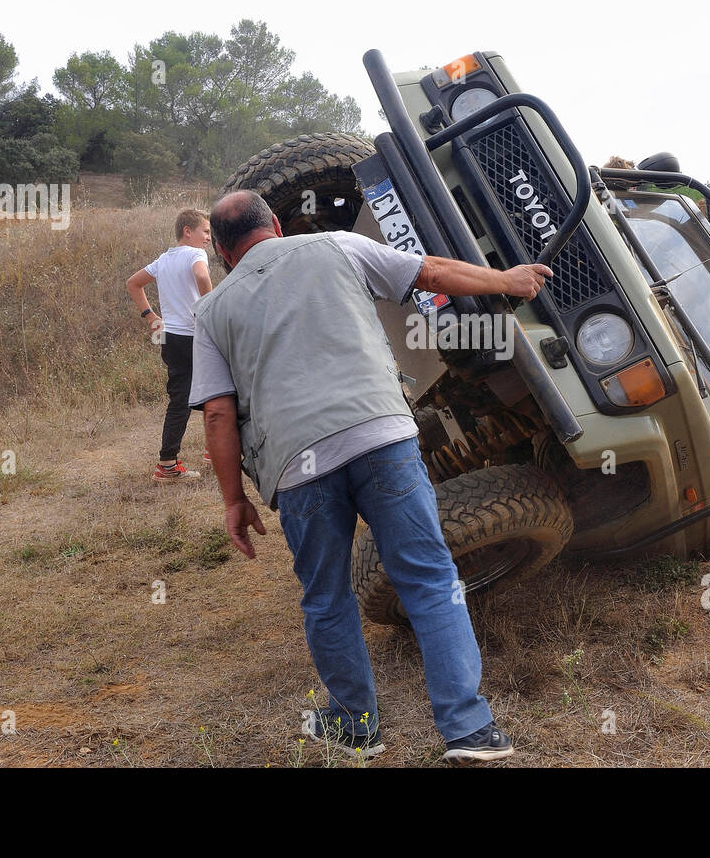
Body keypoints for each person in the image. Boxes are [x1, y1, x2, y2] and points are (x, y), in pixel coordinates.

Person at [189, 190, 551, 764]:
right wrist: (508, 281)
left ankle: (356, 728)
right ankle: (468, 730)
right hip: (381, 436)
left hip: (296, 464)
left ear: (223, 252)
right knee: (429, 577)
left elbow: (217, 413)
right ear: (276, 224)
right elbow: (430, 271)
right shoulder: (339, 245)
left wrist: (234, 500)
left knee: (326, 596)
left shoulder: (209, 312)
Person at [126, 207, 214, 482]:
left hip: (170, 338)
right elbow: (201, 277)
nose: (209, 238)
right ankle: (179, 461)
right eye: (206, 231)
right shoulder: (196, 254)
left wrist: (151, 317)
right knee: (214, 390)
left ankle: (175, 461)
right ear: (188, 231)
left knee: (185, 397)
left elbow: (133, 283)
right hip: (193, 336)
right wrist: (208, 309)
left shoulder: (163, 259)